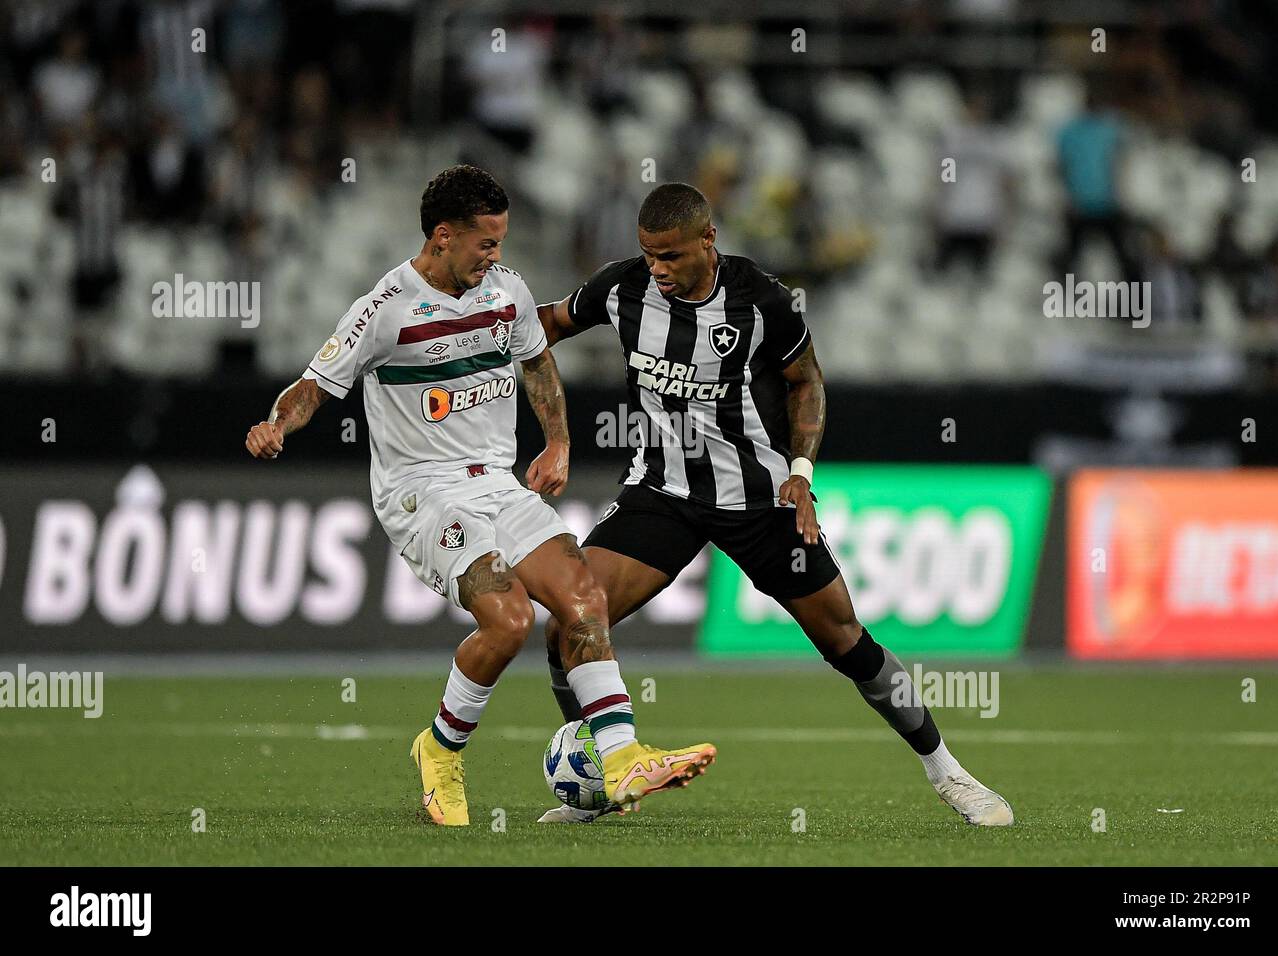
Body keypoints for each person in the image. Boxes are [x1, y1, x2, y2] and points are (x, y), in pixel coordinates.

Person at [245, 166, 715, 826]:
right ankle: (439, 748)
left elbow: (535, 361)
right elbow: (313, 387)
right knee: (511, 620)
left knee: (583, 598)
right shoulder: (386, 311)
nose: (495, 257)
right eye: (485, 244)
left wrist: (558, 443)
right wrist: (275, 424)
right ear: (443, 237)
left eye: (500, 243)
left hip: (495, 482)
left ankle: (620, 756)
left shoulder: (507, 292)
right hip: (422, 494)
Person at [536, 182, 1013, 826]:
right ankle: (605, 779)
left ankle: (948, 772)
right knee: (567, 621)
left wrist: (800, 469)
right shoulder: (622, 288)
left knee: (846, 641)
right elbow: (548, 323)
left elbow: (806, 379)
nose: (658, 270)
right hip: (662, 494)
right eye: (649, 256)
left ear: (709, 241)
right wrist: (475, 329)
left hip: (760, 500)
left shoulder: (762, 302)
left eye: (671, 256)